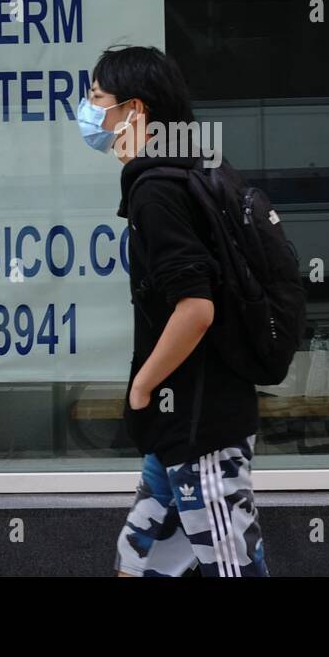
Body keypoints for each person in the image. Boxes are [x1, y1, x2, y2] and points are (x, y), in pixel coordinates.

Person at [76, 44, 269, 577]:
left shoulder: (158, 189)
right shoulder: (194, 168)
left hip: (198, 424)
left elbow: (196, 308)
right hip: (182, 420)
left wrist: (141, 387)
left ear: (134, 111)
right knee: (139, 562)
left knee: (232, 568)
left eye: (97, 99)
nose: (88, 112)